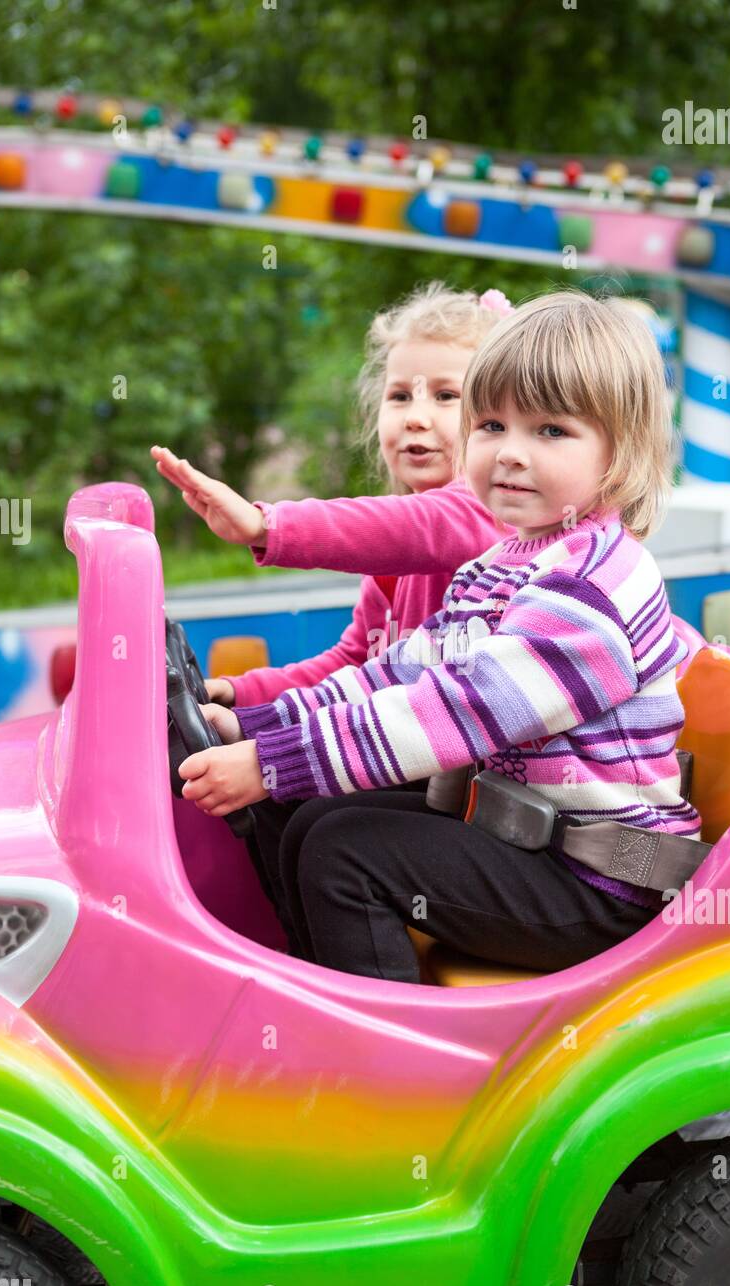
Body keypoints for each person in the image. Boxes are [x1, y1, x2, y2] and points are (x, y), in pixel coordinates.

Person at [178, 288, 702, 983]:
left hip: (600, 880)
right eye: (490, 426)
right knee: (304, 812)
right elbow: (397, 673)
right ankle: (314, 998)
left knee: (344, 853)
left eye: (550, 431)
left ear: (620, 449)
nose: (511, 454)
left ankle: (389, 1069)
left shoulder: (592, 584)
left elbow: (457, 710)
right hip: (532, 836)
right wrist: (256, 724)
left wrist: (274, 758)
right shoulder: (503, 562)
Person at [152, 282, 513, 918]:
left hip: (476, 779)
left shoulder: (488, 517)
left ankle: (340, 979)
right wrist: (232, 693)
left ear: (494, 424)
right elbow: (352, 666)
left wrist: (267, 526)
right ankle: (303, 956)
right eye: (399, 395)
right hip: (419, 756)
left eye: (446, 396)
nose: (416, 416)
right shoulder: (398, 559)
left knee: (302, 806)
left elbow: (409, 529)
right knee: (275, 795)